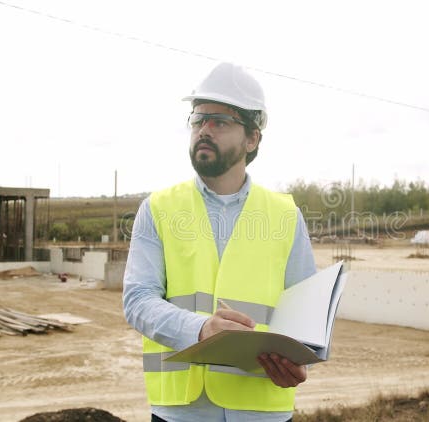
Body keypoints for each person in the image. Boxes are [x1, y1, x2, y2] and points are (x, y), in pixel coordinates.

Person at [123, 62, 317, 422]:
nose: (203, 130)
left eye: (220, 121)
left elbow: (307, 313)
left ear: (252, 138)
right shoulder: (158, 209)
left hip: (264, 408)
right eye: (198, 120)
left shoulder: (285, 215)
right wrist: (199, 330)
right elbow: (137, 300)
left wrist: (300, 359)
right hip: (180, 411)